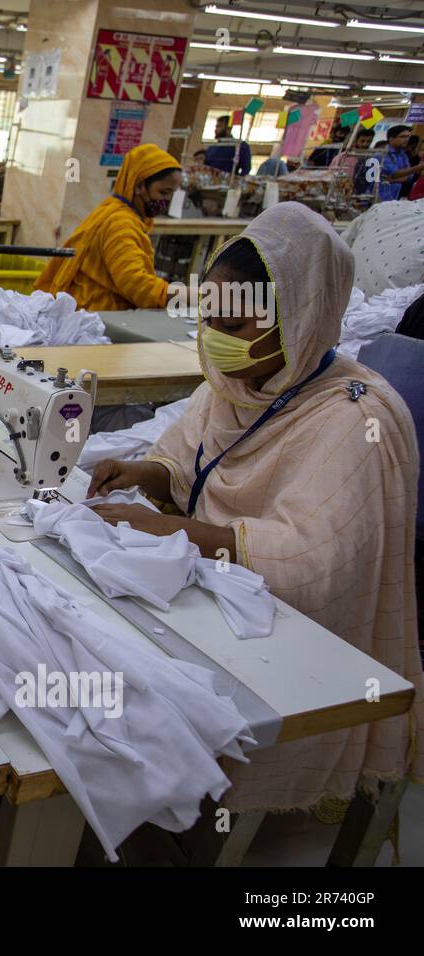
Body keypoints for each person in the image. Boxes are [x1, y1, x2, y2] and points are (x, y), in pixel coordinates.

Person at [85, 201, 421, 815]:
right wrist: (149, 473)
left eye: (235, 327)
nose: (214, 339)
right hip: (210, 597)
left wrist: (172, 530)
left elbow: (316, 562)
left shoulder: (355, 417)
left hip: (290, 644)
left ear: (299, 315)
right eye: (209, 318)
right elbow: (188, 461)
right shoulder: (233, 386)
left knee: (127, 702)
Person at [34, 144, 182, 311]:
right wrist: (198, 296)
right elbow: (138, 287)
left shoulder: (117, 210)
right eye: (163, 192)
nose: (168, 200)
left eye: (172, 193)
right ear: (139, 186)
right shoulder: (120, 224)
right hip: (97, 314)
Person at [339, 199, 424, 296]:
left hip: (341, 303)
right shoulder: (378, 209)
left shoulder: (380, 209)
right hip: (394, 308)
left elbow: (338, 252)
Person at [379, 125, 424, 202]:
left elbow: (409, 176)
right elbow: (394, 173)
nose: (406, 140)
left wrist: (393, 180)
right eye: (402, 137)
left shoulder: (402, 155)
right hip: (379, 195)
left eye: (408, 137)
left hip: (394, 197)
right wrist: (418, 167)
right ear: (391, 139)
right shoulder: (383, 153)